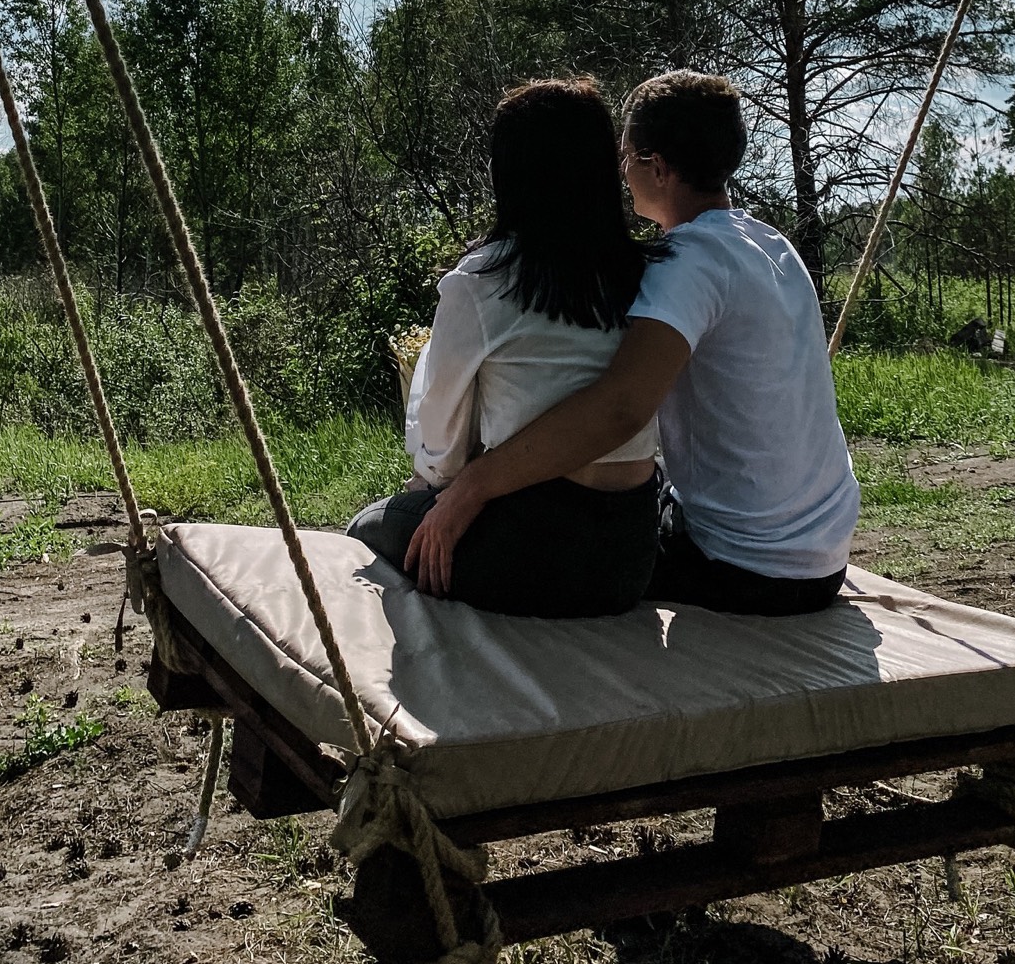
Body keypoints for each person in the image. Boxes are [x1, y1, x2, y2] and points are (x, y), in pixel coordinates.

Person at [405, 70, 860, 616]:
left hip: (749, 569)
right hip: (822, 553)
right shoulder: (770, 245)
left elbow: (620, 409)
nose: (620, 173)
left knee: (583, 539)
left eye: (626, 158)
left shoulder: (685, 264)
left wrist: (472, 486)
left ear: (658, 167)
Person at [347, 78, 666, 617]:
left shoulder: (484, 281)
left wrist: (439, 488)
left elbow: (442, 446)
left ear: (510, 173)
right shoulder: (650, 277)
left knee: (370, 523)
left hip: (529, 551)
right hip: (630, 554)